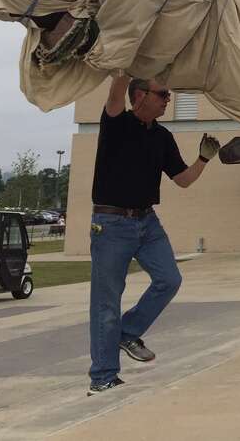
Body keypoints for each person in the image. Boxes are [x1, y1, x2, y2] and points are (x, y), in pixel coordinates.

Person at [87, 74, 219, 396]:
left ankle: (127, 332)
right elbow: (117, 86)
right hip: (111, 224)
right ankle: (103, 377)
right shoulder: (116, 122)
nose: (168, 99)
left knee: (170, 280)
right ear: (141, 96)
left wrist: (203, 158)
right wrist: (129, 58)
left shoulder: (162, 136)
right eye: (163, 94)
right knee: (106, 303)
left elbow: (183, 180)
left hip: (147, 223)